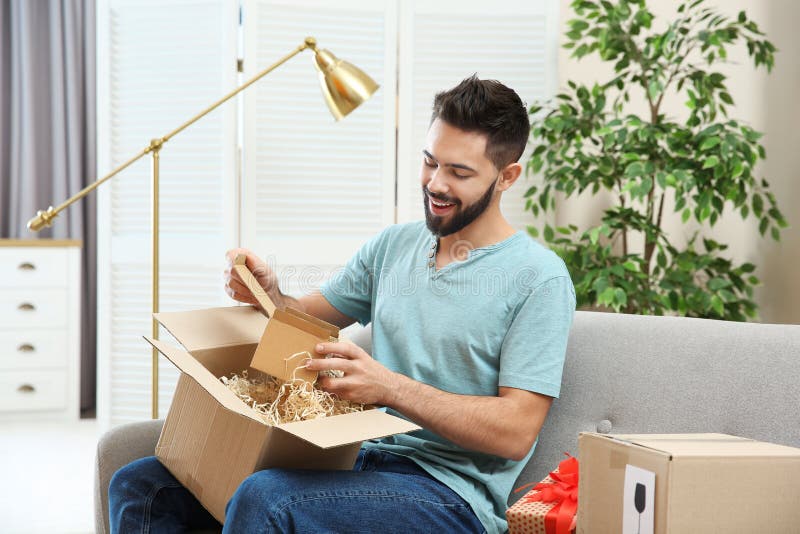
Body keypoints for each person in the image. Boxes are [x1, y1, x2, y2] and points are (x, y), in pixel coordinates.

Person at [108, 75, 575, 534]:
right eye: (430, 162)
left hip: (450, 493)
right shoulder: (396, 245)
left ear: (507, 176)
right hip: (354, 457)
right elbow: (302, 317)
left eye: (459, 172)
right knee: (140, 485)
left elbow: (515, 432)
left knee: (267, 499)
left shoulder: (539, 278)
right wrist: (267, 292)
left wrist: (388, 387)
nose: (435, 183)